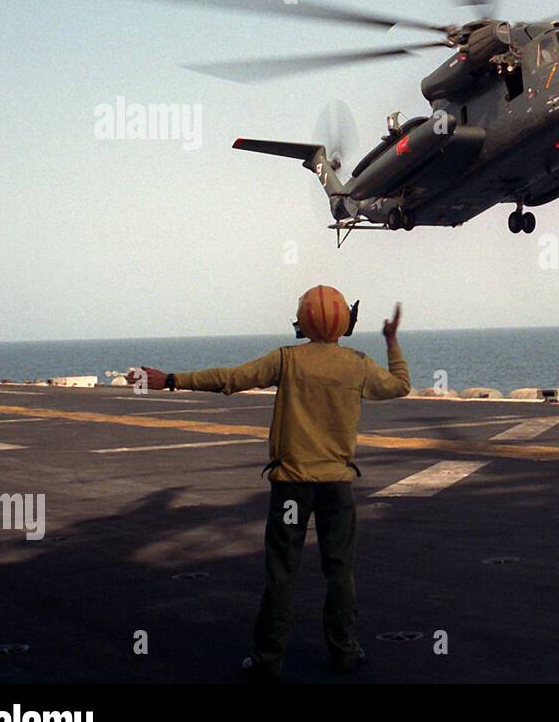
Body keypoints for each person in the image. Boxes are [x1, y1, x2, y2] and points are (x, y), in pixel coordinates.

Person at [128, 285, 410, 680]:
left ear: (304, 319)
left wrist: (171, 379)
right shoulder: (358, 364)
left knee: (281, 573)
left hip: (291, 487)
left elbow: (230, 378)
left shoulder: (287, 360)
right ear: (345, 321)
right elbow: (400, 385)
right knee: (340, 572)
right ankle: (344, 651)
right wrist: (392, 341)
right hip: (337, 488)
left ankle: (267, 659)